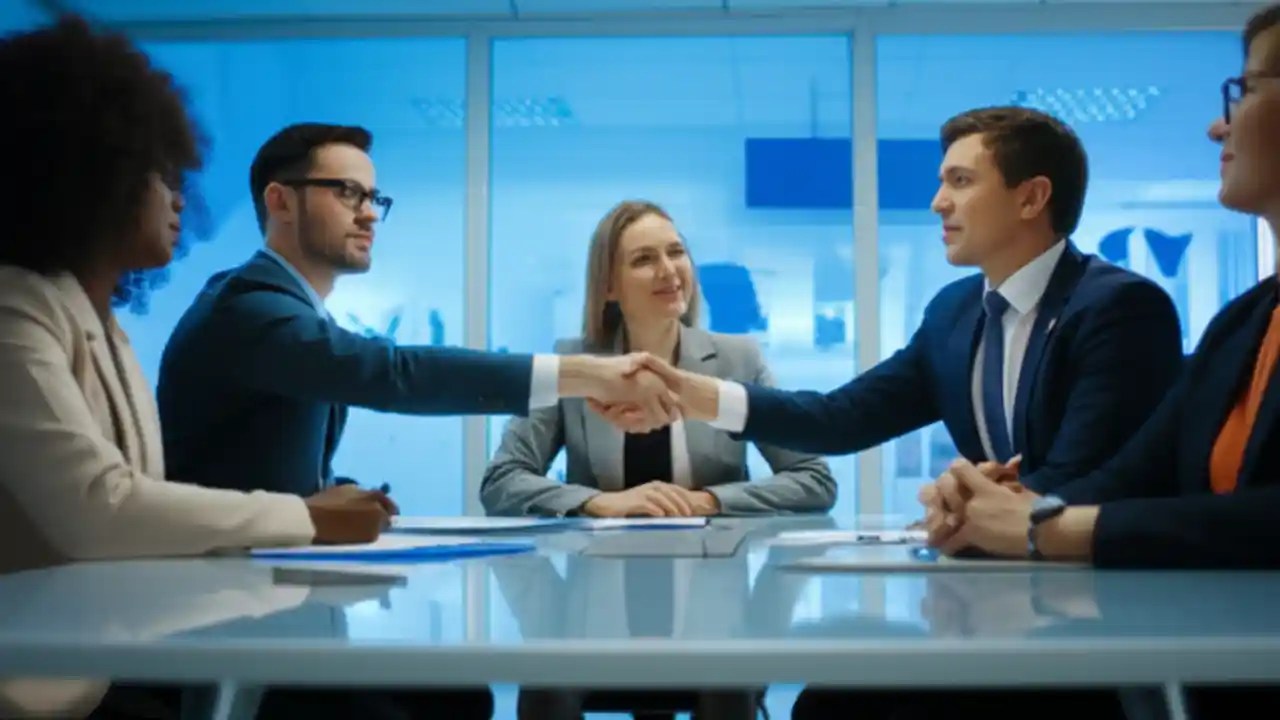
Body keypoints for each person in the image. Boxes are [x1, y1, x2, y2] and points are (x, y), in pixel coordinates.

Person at [801, 5, 1280, 717]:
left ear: (1032, 198)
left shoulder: (1119, 305)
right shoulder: (1246, 321)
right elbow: (1134, 475)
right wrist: (995, 505)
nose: (1219, 124)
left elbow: (1136, 494)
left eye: (1245, 92)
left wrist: (1029, 522)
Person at [0, 16, 393, 720]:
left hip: (106, 656)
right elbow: (101, 506)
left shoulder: (98, 323)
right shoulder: (15, 309)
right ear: (85, 178)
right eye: (157, 174)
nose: (179, 197)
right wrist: (307, 517)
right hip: (42, 684)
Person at [626, 107, 1185, 499]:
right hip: (1002, 580)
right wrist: (698, 395)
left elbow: (1085, 481)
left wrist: (968, 499)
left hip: (1098, 608)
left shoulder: (1120, 309)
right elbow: (840, 420)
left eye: (961, 181)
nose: (938, 202)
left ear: (1031, 197)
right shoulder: (955, 314)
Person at [157, 122, 674, 500]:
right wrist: (586, 374)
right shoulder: (249, 310)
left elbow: (257, 468)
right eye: (346, 193)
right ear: (280, 202)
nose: (367, 214)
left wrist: (334, 494)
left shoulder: (292, 312)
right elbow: (395, 373)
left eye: (373, 198)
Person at [482, 200, 836, 519]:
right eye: (644, 260)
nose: (668, 270)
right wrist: (596, 502)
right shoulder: (572, 364)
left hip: (712, 575)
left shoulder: (738, 359)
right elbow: (501, 480)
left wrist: (708, 501)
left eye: (676, 252)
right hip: (599, 577)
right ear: (609, 287)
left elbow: (814, 478)